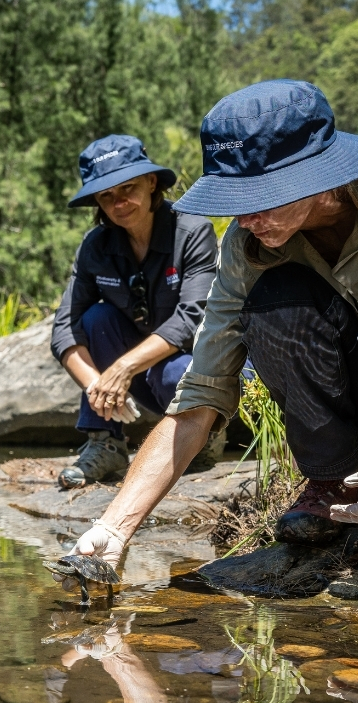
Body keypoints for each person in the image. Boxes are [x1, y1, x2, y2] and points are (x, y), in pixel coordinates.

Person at [60, 80, 358, 576]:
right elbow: (201, 392)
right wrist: (114, 527)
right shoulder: (246, 243)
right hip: (354, 397)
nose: (246, 219)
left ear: (318, 176)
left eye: (261, 199)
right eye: (234, 200)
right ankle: (334, 478)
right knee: (275, 300)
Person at [51, 134, 221, 489]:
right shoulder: (95, 246)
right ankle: (106, 443)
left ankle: (201, 437)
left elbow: (191, 319)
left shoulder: (192, 230)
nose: (119, 202)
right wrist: (97, 386)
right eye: (106, 196)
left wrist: (123, 367)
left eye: (127, 188)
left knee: (171, 373)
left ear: (151, 182)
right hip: (140, 374)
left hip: (196, 367)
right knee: (95, 319)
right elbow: (65, 328)